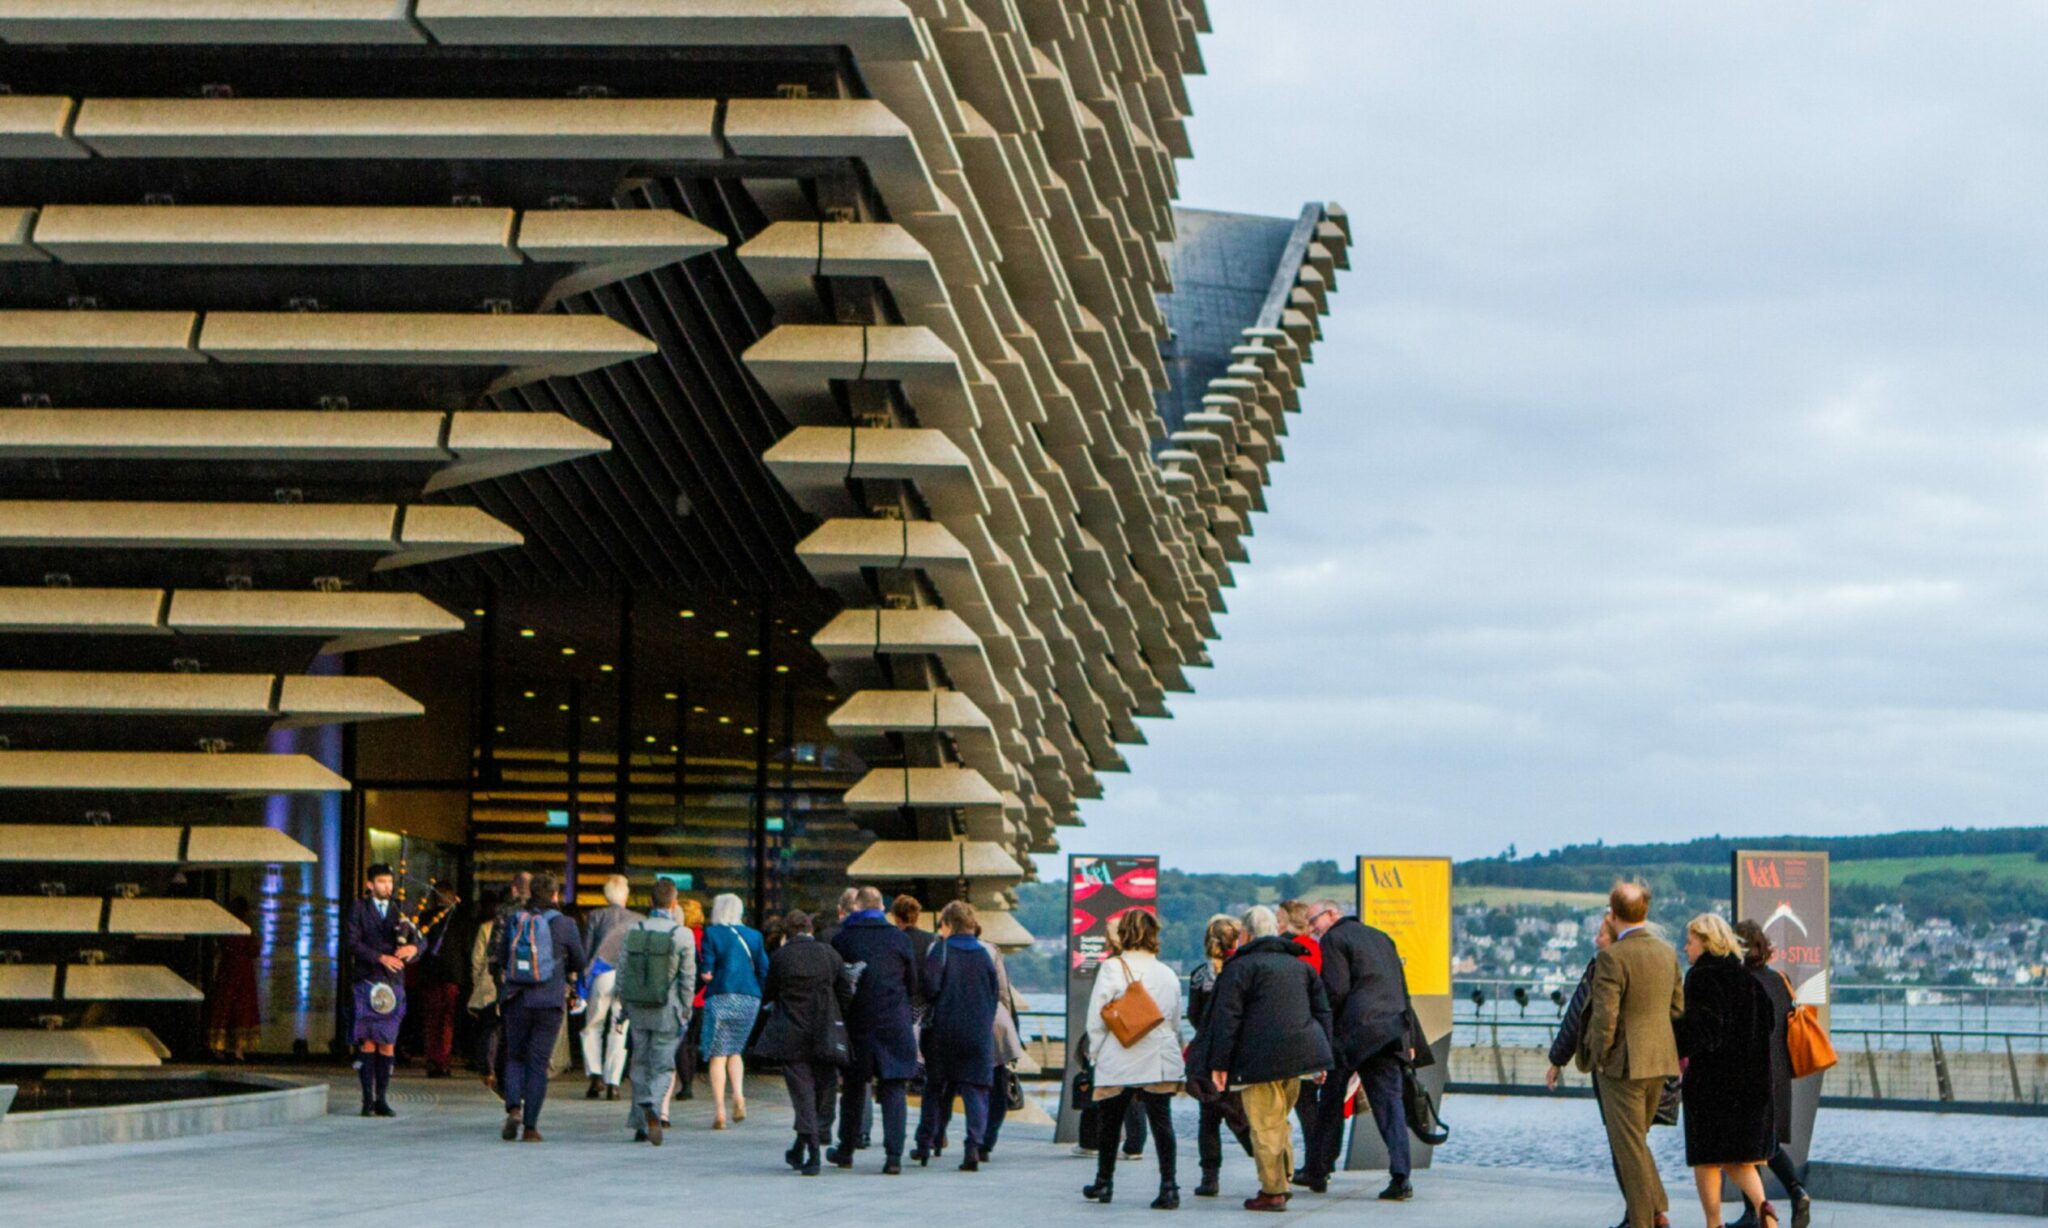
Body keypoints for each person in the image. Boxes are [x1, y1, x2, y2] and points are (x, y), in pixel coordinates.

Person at [1203, 904, 1333, 1212]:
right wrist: (1322, 1058)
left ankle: (1273, 1191)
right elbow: (1322, 1011)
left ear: (1246, 934)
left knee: (1264, 1124)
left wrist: (1219, 1064)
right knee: (1279, 1121)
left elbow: (1228, 1020)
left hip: (1258, 1058)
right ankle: (1283, 1178)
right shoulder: (1301, 966)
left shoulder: (1240, 968)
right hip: (1300, 1055)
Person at [1302, 897, 1427, 1201]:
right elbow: (1402, 989)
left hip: (1354, 1033)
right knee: (1390, 1104)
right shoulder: (1382, 937)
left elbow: (1336, 990)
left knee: (1330, 1099)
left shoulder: (1334, 939)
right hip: (1390, 1031)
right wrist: (1409, 1038)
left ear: (1331, 914)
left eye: (1313, 920)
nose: (1311, 928)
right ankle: (1401, 1175)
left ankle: (1318, 1170)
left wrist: (1319, 1026)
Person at [1580, 881, 1685, 1228]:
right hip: (1660, 1061)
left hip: (1623, 1066)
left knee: (1629, 1151)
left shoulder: (1612, 957)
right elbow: (1676, 1007)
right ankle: (1657, 1210)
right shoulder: (1667, 953)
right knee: (1636, 1142)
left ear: (1612, 914)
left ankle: (1643, 1221)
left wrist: (1598, 1057)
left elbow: (1604, 1018)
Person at [1676, 914, 1779, 1228]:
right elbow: (1770, 1022)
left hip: (1713, 1087)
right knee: (1738, 1158)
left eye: (1691, 941)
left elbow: (1703, 1031)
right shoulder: (1746, 977)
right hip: (1751, 1085)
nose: (1686, 947)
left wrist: (1674, 1034)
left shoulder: (1700, 977)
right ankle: (1766, 1212)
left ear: (1706, 943)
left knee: (1707, 1159)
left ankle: (1713, 1223)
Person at [1081, 908, 1186, 1209]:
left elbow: (1097, 1016)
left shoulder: (1113, 968)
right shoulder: (1167, 973)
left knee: (1110, 1121)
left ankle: (1104, 1182)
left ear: (1124, 933)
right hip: (1160, 1054)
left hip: (1121, 1052)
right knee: (1162, 1122)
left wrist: (1096, 1052)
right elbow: (1175, 1020)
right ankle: (1169, 1186)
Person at [489, 872, 586, 1142]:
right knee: (538, 1063)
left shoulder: (514, 920)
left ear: (531, 893)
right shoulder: (565, 924)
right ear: (556, 895)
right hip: (549, 1002)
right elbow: (580, 961)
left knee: (514, 1057)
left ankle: (513, 1108)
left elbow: (500, 958)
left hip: (517, 999)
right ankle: (530, 1127)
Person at [830, 885, 920, 1173]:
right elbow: (913, 984)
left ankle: (846, 1150)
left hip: (858, 1024)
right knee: (894, 1088)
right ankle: (893, 1157)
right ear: (882, 908)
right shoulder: (899, 939)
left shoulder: (843, 939)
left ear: (856, 907)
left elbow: (837, 983)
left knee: (855, 1089)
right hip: (894, 1022)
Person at [757, 909, 855, 1175]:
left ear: (787, 933)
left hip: (791, 1033)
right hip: (825, 1032)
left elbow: (769, 993)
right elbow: (845, 991)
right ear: (810, 929)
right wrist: (839, 1018)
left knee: (802, 1093)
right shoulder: (829, 954)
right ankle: (808, 1143)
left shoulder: (781, 957)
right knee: (823, 1089)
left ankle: (809, 1150)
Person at [1732, 919, 1812, 1228]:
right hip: (1780, 1074)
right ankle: (1796, 1190)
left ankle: (1754, 1212)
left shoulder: (1740, 983)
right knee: (1767, 1141)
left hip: (1751, 1073)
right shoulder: (1780, 980)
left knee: (1744, 1143)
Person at [913, 900, 1000, 1171]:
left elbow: (930, 988)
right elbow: (994, 994)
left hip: (943, 1032)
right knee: (976, 1091)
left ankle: (926, 1142)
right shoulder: (984, 954)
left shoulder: (941, 951)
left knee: (935, 1088)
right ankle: (973, 1146)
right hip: (977, 1033)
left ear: (948, 925)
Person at [620, 878, 695, 1145]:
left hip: (639, 1009)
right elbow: (688, 979)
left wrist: (623, 1007)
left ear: (650, 902)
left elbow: (624, 972)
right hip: (668, 1009)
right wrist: (686, 1010)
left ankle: (640, 1123)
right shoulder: (682, 935)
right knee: (663, 1065)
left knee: (639, 1063)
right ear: (674, 903)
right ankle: (653, 1105)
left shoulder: (634, 930)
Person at [345, 863, 419, 1118]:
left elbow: (420, 939)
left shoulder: (402, 909)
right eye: (381, 882)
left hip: (393, 981)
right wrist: (379, 957)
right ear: (370, 885)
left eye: (389, 882)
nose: (386, 886)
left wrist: (414, 950)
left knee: (387, 1041)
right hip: (368, 978)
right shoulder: (359, 908)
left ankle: (382, 1099)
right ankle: (367, 1099)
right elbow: (352, 942)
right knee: (368, 1040)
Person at [1186, 914, 1253, 1198]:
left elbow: (1193, 1016)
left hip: (1207, 1055)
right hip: (1240, 1054)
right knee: (1244, 1115)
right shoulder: (1245, 970)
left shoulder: (1201, 975)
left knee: (1208, 1118)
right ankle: (1268, 1162)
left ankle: (1209, 1177)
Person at [699, 891, 769, 1129]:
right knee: (735, 1050)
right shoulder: (755, 936)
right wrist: (755, 992)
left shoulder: (712, 934)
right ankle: (739, 1095)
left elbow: (706, 973)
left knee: (718, 1055)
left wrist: (707, 975)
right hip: (748, 998)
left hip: (720, 996)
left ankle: (720, 1112)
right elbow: (763, 969)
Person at [580, 873, 642, 1101]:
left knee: (593, 1025)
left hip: (600, 974)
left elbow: (586, 950)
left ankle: (595, 1074)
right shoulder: (638, 919)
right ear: (626, 894)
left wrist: (580, 979)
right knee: (619, 1028)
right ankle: (613, 1081)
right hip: (627, 977)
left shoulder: (595, 916)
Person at [413, 879, 474, 1079]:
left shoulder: (423, 918)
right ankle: (443, 1061)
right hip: (452, 975)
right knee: (447, 1020)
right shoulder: (461, 919)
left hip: (430, 973)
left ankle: (432, 1061)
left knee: (431, 1019)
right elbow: (467, 949)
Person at [207, 896, 262, 1062]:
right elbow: (254, 950)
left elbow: (222, 944)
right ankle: (238, 1050)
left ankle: (218, 1047)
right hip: (244, 973)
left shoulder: (227, 927)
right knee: (242, 1009)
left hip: (228, 970)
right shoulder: (247, 928)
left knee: (224, 1007)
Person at [467, 889, 502, 1084]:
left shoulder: (486, 928)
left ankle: (487, 1067)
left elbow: (477, 960)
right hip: (511, 984)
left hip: (488, 983)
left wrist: (476, 983)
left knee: (489, 1026)